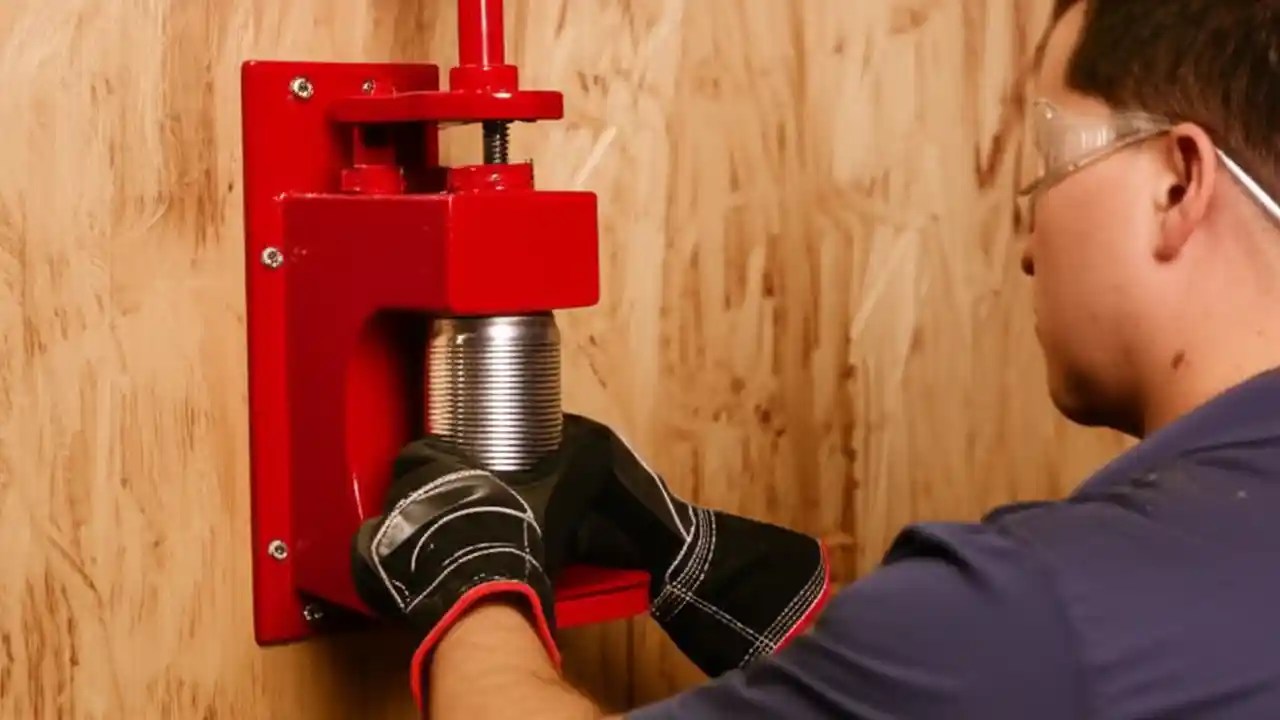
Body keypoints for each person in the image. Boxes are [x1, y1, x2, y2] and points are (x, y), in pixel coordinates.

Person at [351, 0, 1280, 717]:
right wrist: (719, 574)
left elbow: (1026, 655)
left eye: (1048, 158)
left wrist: (471, 582)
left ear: (1177, 182)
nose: (1029, 242)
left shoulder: (1048, 611)